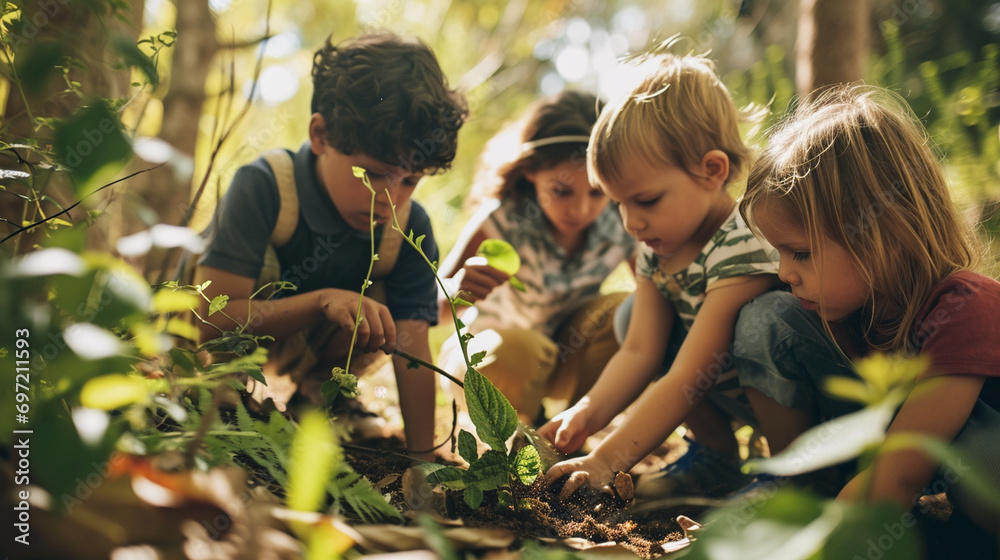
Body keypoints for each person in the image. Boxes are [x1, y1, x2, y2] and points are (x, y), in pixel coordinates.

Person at [732, 85, 1000, 532]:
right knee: (766, 320)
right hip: (902, 467)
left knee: (981, 460)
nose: (784, 273)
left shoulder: (965, 307)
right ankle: (801, 488)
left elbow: (900, 472)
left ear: (882, 235)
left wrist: (809, 542)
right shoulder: (855, 311)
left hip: (962, 466)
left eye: (800, 253)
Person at [194, 32, 468, 457]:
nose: (391, 198)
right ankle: (224, 387)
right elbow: (210, 321)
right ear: (320, 135)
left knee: (385, 300)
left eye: (410, 180)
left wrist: (423, 457)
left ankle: (321, 399)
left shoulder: (408, 230)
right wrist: (320, 299)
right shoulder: (265, 186)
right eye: (374, 174)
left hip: (314, 351)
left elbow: (412, 349)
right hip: (221, 340)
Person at [540, 50, 779, 499]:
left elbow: (690, 376)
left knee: (762, 322)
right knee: (631, 317)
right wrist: (586, 413)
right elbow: (638, 352)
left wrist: (607, 460)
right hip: (732, 393)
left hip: (796, 404)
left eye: (646, 201)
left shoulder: (742, 247)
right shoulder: (657, 248)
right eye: (618, 204)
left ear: (712, 171)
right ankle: (716, 457)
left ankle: (792, 471)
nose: (631, 222)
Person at [437, 90, 636, 424]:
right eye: (560, 190)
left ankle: (574, 432)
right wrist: (458, 290)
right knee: (518, 350)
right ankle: (512, 435)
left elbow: (656, 295)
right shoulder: (501, 220)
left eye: (596, 192)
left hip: (559, 364)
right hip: (488, 364)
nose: (580, 209)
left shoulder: (620, 222)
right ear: (530, 170)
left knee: (628, 311)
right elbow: (433, 309)